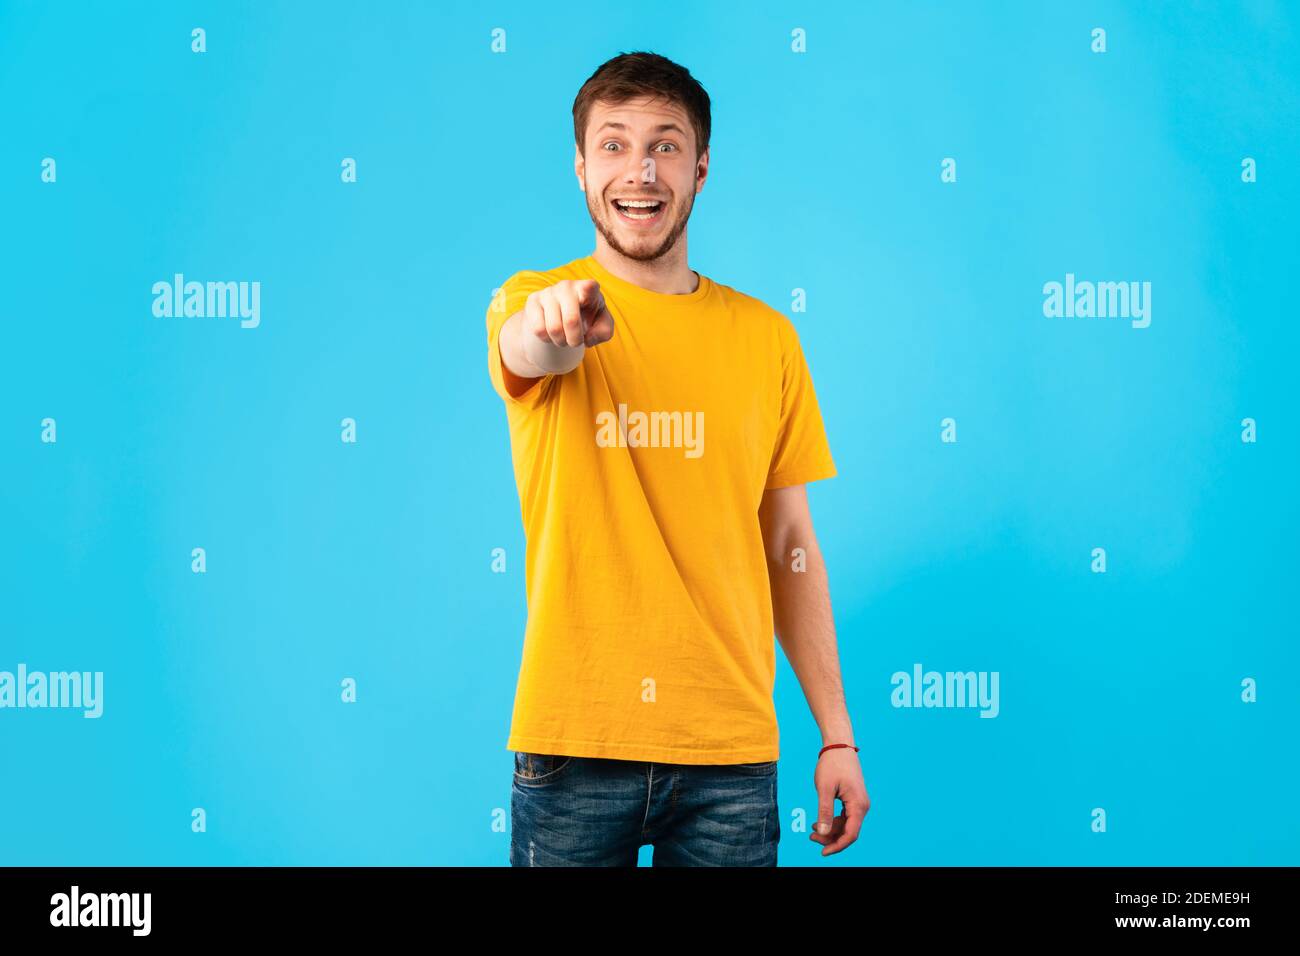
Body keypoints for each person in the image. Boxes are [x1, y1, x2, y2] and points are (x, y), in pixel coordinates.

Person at [485, 51, 869, 866]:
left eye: (665, 145)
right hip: (574, 746)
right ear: (581, 167)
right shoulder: (532, 300)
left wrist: (838, 737)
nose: (641, 169)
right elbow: (532, 353)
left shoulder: (767, 337)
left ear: (701, 167)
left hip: (729, 753)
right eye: (615, 144)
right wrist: (555, 324)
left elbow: (790, 544)